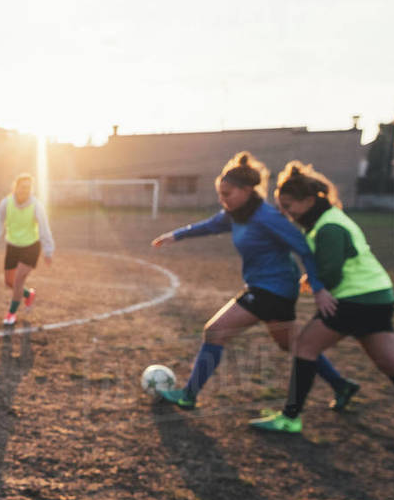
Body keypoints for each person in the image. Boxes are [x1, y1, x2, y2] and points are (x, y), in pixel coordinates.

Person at [250, 162, 394, 451]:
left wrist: (318, 283)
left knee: (304, 347)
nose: (287, 213)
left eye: (289, 206)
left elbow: (332, 274)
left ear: (309, 200)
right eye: (282, 207)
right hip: (378, 297)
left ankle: (290, 418)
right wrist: (315, 277)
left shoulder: (328, 227)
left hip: (355, 299)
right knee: (393, 365)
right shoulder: (329, 219)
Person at [150, 151, 356, 410]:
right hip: (269, 290)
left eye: (227, 194)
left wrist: (318, 288)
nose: (222, 200)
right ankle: (341, 384)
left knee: (214, 331)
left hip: (272, 289)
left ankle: (188, 395)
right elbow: (209, 226)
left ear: (247, 191)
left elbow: (304, 249)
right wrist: (176, 235)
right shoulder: (235, 214)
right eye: (220, 194)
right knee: (293, 345)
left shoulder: (267, 217)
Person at [0, 173, 55, 326]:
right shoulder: (6, 203)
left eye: (28, 188)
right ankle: (28, 295)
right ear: (15, 188)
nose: (25, 190)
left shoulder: (36, 205)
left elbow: (44, 228)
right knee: (9, 282)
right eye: (23, 187)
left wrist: (48, 250)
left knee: (18, 280)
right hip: (13, 246)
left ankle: (11, 313)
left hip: (31, 247)